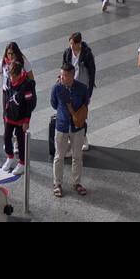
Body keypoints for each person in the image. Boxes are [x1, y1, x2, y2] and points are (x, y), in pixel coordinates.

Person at [50, 64, 89, 198]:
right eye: (61, 75)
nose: (62, 77)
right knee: (59, 157)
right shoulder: (57, 88)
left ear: (72, 75)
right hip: (61, 126)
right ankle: (57, 184)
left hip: (77, 127)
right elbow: (54, 104)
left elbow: (85, 103)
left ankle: (76, 183)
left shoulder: (82, 88)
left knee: (77, 156)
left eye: (65, 75)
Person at [0, 60, 36, 175]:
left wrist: (27, 121)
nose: (12, 79)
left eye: (14, 77)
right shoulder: (10, 80)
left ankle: (22, 163)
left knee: (21, 141)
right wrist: (6, 111)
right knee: (6, 137)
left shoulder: (27, 85)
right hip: (10, 115)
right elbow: (8, 95)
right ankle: (10, 157)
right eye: (10, 76)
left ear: (20, 74)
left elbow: (29, 104)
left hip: (21, 118)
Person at [62, 32, 97, 149]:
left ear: (80, 43)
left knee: (81, 113)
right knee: (69, 111)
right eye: (70, 43)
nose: (72, 46)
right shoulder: (67, 53)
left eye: (74, 44)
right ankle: (71, 138)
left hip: (82, 87)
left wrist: (89, 92)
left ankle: (83, 138)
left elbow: (92, 73)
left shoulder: (87, 54)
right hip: (69, 86)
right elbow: (64, 67)